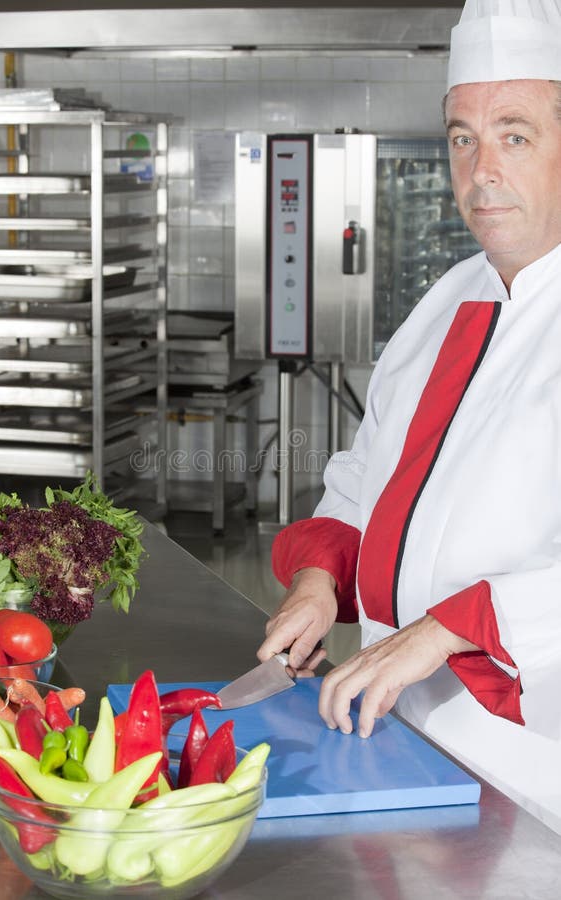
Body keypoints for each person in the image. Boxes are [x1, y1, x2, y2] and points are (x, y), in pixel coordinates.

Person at [258, 0, 561, 833]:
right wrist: (319, 580)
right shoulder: (447, 297)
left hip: (538, 762)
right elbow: (367, 479)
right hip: (400, 732)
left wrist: (438, 632)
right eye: (462, 136)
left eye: (515, 134)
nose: (479, 170)